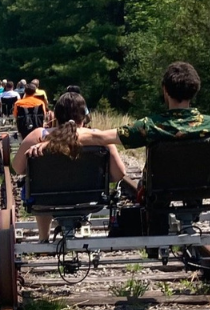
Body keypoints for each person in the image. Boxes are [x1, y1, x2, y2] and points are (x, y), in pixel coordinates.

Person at [28, 62, 210, 195]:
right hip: (204, 187)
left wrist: (52, 140)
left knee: (146, 187)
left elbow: (99, 138)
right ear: (195, 89)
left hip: (161, 190)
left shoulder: (150, 126)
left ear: (165, 90)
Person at [12, 92, 126, 243]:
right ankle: (84, 224)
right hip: (89, 197)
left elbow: (17, 168)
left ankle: (43, 237)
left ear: (56, 116)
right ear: (84, 116)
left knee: (37, 187)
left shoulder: (38, 136)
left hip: (46, 200)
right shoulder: (98, 137)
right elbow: (119, 174)